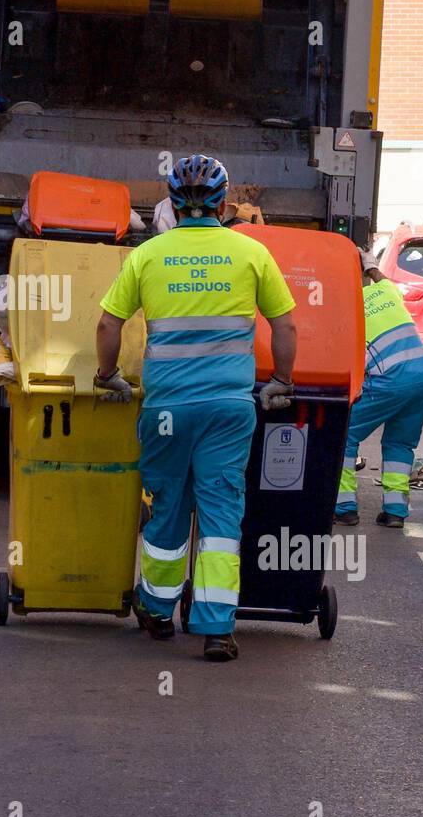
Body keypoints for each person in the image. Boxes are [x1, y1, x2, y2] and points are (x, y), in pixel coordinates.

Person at [95, 154, 298, 662]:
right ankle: (216, 627)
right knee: (221, 509)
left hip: (167, 408)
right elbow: (287, 327)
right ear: (225, 205)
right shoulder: (250, 252)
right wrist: (281, 381)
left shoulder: (147, 255)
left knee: (167, 505)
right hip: (229, 409)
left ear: (170, 205)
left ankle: (158, 611)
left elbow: (107, 326)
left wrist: (108, 375)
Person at [334, 249, 423, 529]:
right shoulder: (386, 291)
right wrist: (371, 267)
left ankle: (344, 508)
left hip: (390, 377)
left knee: (343, 434)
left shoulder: (343, 307)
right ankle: (395, 511)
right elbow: (379, 278)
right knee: (400, 443)